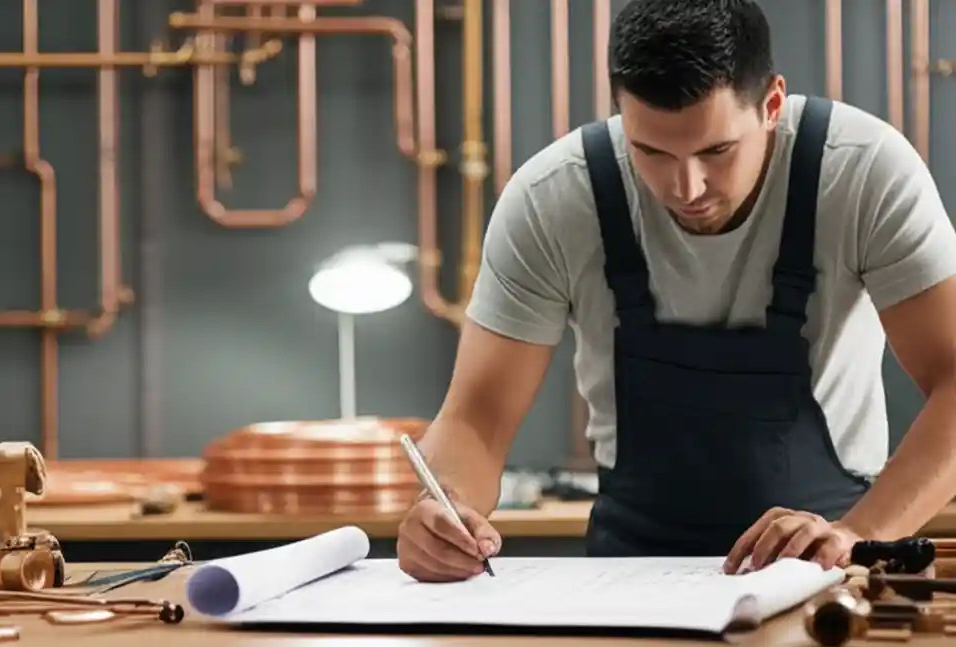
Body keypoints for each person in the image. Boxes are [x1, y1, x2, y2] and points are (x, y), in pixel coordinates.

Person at [396, 0, 956, 581]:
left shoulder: (863, 173)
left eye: (716, 151)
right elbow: (477, 418)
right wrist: (445, 507)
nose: (687, 187)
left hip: (826, 568)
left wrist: (858, 536)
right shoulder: (553, 198)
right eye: (652, 153)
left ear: (771, 105)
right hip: (632, 575)